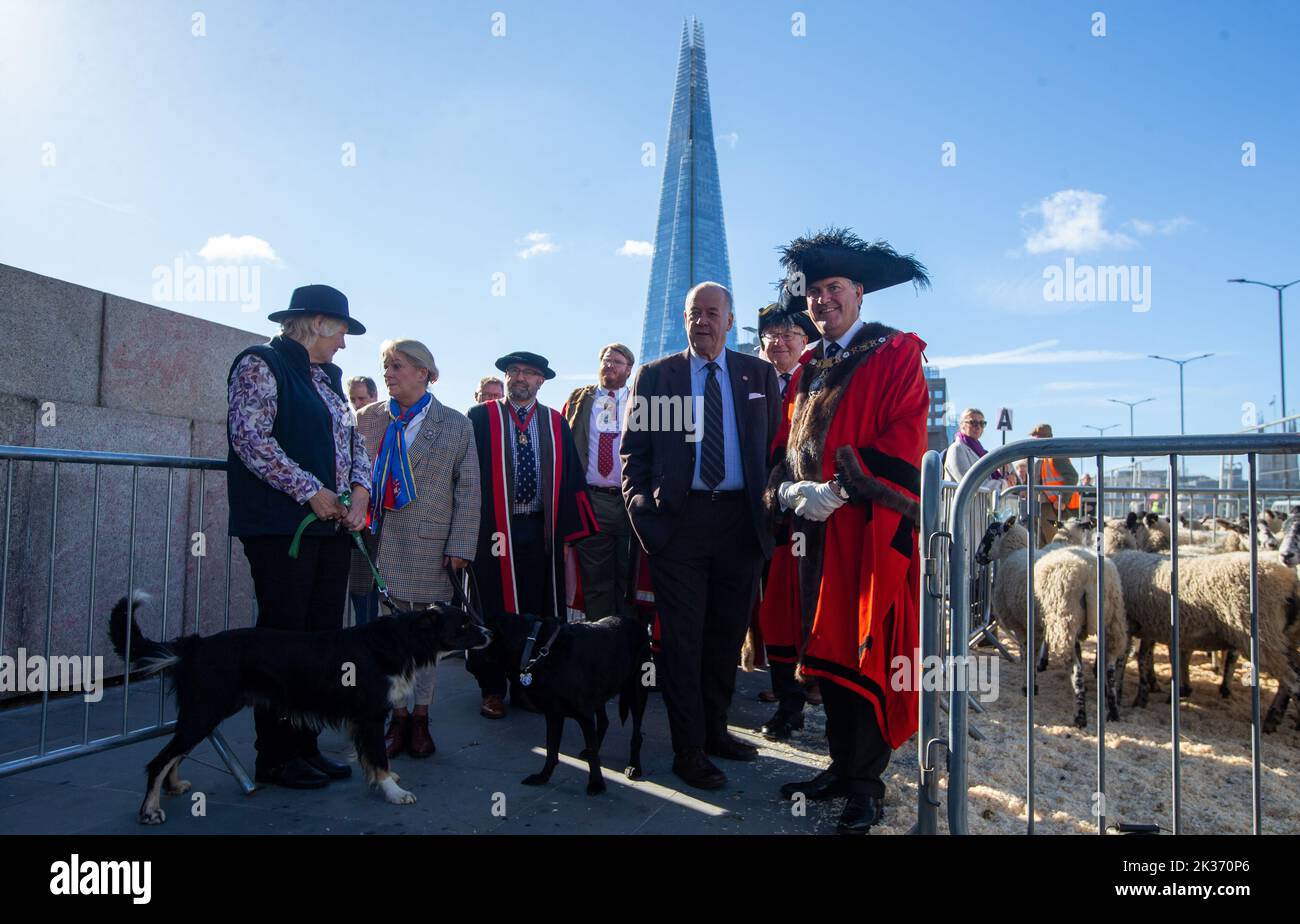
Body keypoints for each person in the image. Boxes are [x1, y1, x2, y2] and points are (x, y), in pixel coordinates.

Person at [767, 229, 930, 834]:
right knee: (826, 653)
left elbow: (904, 440)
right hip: (813, 536)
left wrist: (839, 488)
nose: (822, 300)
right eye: (813, 292)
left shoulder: (895, 354)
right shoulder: (810, 366)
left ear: (859, 293)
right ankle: (839, 766)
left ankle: (867, 784)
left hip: (865, 530)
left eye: (834, 288)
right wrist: (785, 489)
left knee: (865, 651)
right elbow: (790, 444)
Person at [621, 281, 781, 790]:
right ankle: (688, 750)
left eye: (713, 313)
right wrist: (645, 517)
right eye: (694, 313)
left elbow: (774, 452)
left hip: (740, 526)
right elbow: (634, 454)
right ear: (684, 320)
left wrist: (769, 513)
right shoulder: (656, 376)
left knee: (725, 638)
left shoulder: (758, 375)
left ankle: (717, 733)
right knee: (683, 644)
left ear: (730, 322)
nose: (703, 321)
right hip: (679, 527)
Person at [226, 284, 371, 790]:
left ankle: (304, 746)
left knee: (320, 644)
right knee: (284, 640)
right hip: (281, 529)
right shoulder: (260, 364)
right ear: (316, 323)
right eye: (342, 332)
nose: (345, 345)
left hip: (329, 530)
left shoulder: (329, 380)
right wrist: (310, 490)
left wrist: (359, 493)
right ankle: (275, 755)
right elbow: (250, 438)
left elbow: (356, 446)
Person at [349, 338, 480, 758]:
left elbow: (470, 490)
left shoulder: (456, 424)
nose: (388, 374)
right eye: (386, 366)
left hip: (431, 546)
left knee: (429, 640)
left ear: (424, 372)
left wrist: (461, 543)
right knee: (387, 638)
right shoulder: (368, 419)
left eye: (397, 366)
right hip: (378, 545)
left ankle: (421, 718)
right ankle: (397, 718)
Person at [467, 351, 597, 719]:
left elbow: (571, 476)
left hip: (541, 528)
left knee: (537, 610)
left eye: (528, 373)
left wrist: (570, 534)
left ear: (541, 381)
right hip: (492, 530)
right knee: (492, 608)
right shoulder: (481, 417)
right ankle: (491, 688)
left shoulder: (555, 423)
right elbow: (462, 477)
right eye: (513, 371)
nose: (519, 378)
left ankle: (529, 684)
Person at [755, 299, 819, 730]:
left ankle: (805, 688)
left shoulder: (817, 382)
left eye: (789, 334)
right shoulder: (748, 380)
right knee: (768, 603)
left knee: (804, 606)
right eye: (772, 335)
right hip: (757, 509)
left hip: (808, 512)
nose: (780, 342)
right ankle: (783, 693)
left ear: (805, 341)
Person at [563, 343, 636, 620]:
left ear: (629, 369)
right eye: (606, 360)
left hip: (630, 502)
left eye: (617, 362)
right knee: (596, 581)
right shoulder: (581, 401)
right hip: (592, 501)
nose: (609, 365)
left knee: (629, 578)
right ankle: (600, 644)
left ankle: (628, 646)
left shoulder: (640, 401)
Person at [1028, 422, 1079, 544]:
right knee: (1049, 537)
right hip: (1054, 505)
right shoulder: (1046, 458)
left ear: (1043, 438)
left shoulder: (1056, 456)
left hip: (1064, 508)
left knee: (1057, 538)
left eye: (1036, 439)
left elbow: (1072, 476)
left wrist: (1063, 500)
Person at [943, 408, 1016, 490]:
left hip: (979, 502)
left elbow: (986, 480)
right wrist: (1004, 484)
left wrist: (1005, 474)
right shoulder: (956, 449)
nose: (978, 427)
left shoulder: (982, 453)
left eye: (982, 423)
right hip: (963, 502)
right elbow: (970, 484)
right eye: (973, 422)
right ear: (962, 425)